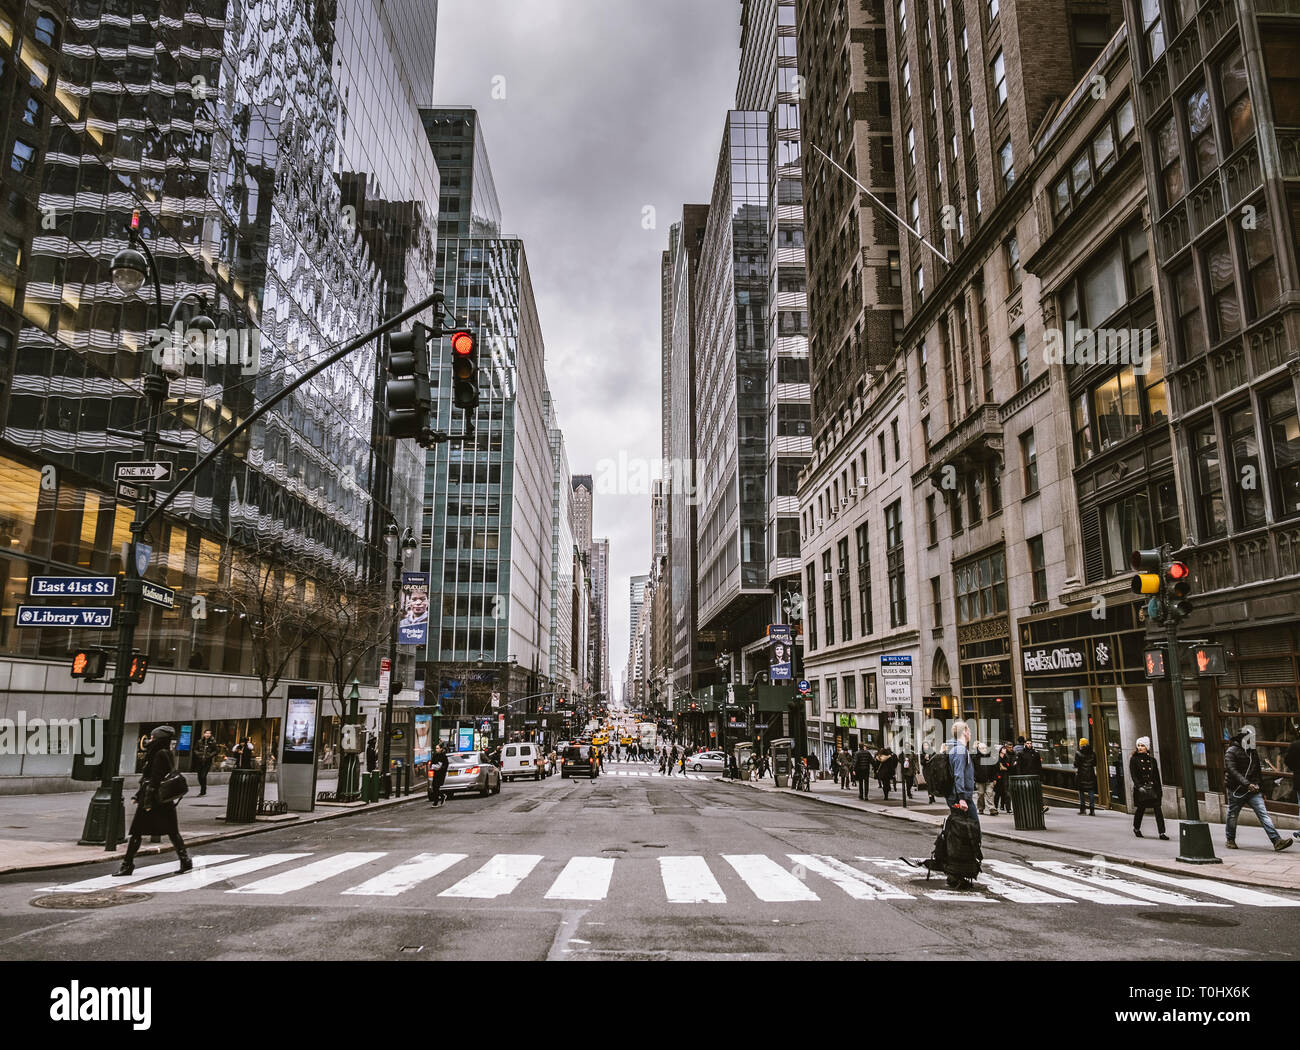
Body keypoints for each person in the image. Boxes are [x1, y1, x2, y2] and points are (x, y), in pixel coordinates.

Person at [114, 726, 191, 877]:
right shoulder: (164, 752)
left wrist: (146, 801)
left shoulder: (158, 754)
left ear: (158, 738)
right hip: (162, 799)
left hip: (153, 799)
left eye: (153, 737)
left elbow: (154, 779)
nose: (150, 739)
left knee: (137, 832)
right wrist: (138, 794)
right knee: (172, 831)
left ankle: (127, 865)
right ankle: (185, 860)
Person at [1224, 725, 1294, 851]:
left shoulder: (1252, 751)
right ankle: (1230, 839)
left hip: (1253, 790)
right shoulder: (1231, 751)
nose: (1253, 741)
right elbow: (1233, 771)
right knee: (1233, 815)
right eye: (1250, 738)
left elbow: (1256, 771)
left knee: (1263, 814)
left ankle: (1276, 841)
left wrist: (1260, 788)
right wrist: (1247, 784)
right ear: (1243, 738)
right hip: (1236, 790)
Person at [1129, 737, 1167, 840]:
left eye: (1142, 745)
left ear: (1147, 747)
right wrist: (1139, 786)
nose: (1140, 748)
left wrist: (1159, 791)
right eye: (1139, 745)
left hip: (1153, 789)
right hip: (1141, 789)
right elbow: (1134, 775)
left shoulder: (1152, 760)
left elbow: (1156, 776)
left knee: (1158, 810)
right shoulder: (1134, 759)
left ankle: (1162, 832)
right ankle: (1136, 828)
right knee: (1140, 810)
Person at [193, 729, 221, 797]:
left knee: (203, 776)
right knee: (199, 776)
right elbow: (195, 749)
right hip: (199, 761)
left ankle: (203, 791)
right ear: (204, 734)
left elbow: (216, 751)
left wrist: (210, 755)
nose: (208, 734)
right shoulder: (199, 741)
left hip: (207, 762)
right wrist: (198, 754)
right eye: (206, 733)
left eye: (209, 733)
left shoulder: (213, 742)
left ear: (210, 734)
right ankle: (203, 788)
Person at [1074, 737, 1098, 815]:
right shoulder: (1092, 753)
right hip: (1090, 774)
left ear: (1081, 745)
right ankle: (1092, 810)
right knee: (1091, 792)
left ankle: (1083, 809)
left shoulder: (1078, 753)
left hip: (1081, 775)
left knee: (1081, 792)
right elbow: (1095, 763)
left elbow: (1076, 764)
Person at [973, 741, 997, 816]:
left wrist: (994, 779)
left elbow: (994, 769)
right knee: (980, 794)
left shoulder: (990, 757)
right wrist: (975, 777)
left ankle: (992, 808)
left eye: (985, 748)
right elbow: (973, 768)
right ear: (979, 749)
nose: (984, 749)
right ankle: (980, 808)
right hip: (979, 780)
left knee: (989, 793)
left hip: (989, 779)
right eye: (982, 748)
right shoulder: (975, 758)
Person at [428, 742, 449, 807]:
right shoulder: (435, 755)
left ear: (441, 749)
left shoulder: (444, 756)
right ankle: (442, 796)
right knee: (435, 787)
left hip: (441, 774)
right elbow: (432, 763)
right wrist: (433, 766)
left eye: (437, 748)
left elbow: (446, 765)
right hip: (436, 773)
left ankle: (436, 802)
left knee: (436, 787)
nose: (436, 749)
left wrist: (441, 768)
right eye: (436, 748)